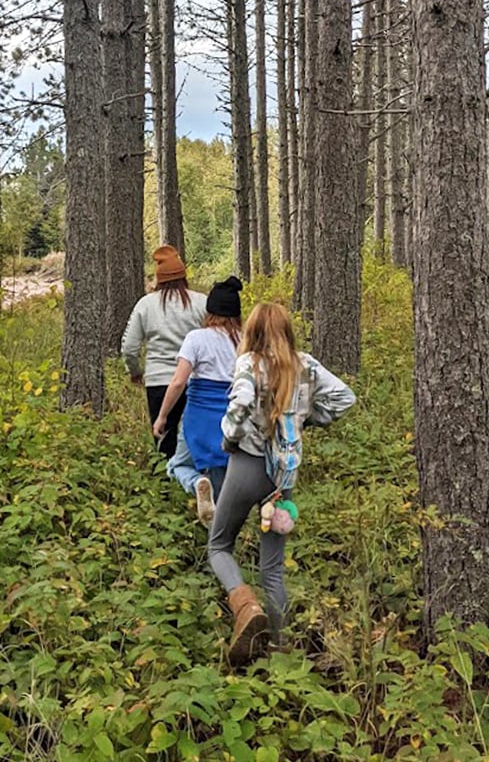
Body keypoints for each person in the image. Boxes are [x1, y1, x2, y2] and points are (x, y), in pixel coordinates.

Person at [208, 301, 356, 666]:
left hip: (247, 466)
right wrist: (305, 420)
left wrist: (229, 439)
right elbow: (345, 398)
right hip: (282, 476)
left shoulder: (250, 364)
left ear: (252, 333)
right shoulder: (305, 365)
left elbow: (239, 406)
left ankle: (246, 607)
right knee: (272, 566)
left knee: (219, 545)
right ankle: (280, 645)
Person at [153, 276, 243, 527]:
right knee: (222, 476)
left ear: (209, 311)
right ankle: (222, 538)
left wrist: (162, 416)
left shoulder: (196, 338)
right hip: (231, 418)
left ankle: (195, 483)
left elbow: (179, 381)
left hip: (198, 417)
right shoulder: (245, 341)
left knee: (177, 465)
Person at [121, 245, 206, 459]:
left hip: (158, 382)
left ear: (159, 278)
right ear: (183, 274)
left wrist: (135, 371)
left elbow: (130, 347)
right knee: (195, 439)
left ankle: (164, 487)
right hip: (194, 381)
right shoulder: (201, 302)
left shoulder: (146, 304)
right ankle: (197, 484)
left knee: (163, 441)